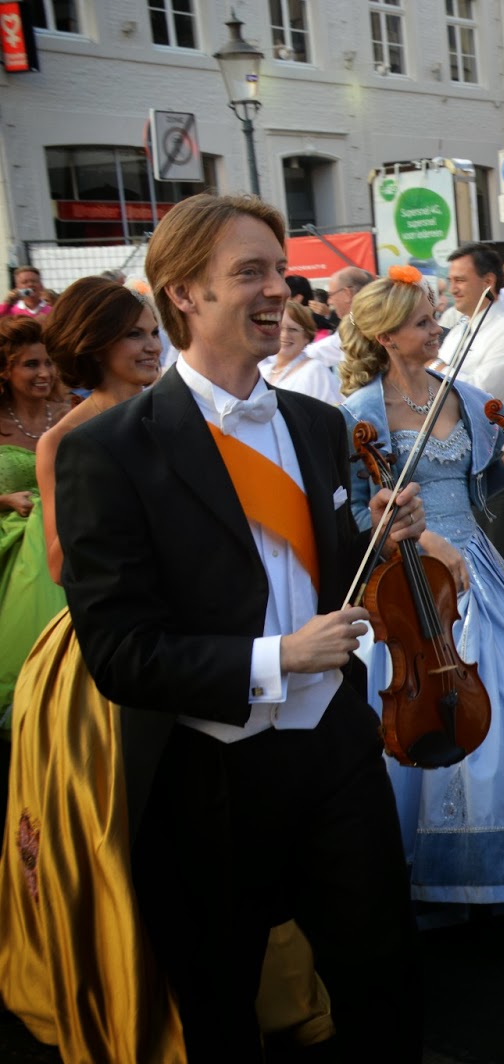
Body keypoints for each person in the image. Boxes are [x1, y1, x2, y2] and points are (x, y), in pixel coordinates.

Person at [52, 193, 427, 1061]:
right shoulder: (108, 452)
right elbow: (119, 653)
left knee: (385, 985)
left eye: (279, 271)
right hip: (204, 776)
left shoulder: (319, 424)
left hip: (335, 751)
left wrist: (370, 535)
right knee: (220, 1006)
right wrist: (278, 657)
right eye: (248, 273)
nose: (277, 292)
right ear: (182, 293)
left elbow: (315, 571)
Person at [0, 275, 340, 1060]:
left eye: (153, 331)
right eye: (131, 336)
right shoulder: (73, 437)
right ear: (93, 348)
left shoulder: (199, 415)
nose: (150, 345)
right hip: (112, 652)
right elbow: (64, 561)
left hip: (219, 649)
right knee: (139, 828)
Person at [337, 269, 504, 910]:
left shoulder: (459, 392)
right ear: (385, 337)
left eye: (436, 320)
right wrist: (414, 536)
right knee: (422, 696)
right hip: (410, 575)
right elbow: (355, 510)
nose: (437, 331)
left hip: (478, 567)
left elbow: (477, 488)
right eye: (422, 324)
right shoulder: (358, 414)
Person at [0, 317, 70, 717]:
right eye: (30, 364)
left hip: (60, 540)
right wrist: (5, 500)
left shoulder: (70, 411)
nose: (44, 373)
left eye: (49, 363)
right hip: (9, 548)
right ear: (5, 370)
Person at [436, 242, 504, 406]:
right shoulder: (458, 330)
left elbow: (483, 393)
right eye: (451, 281)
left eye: (460, 280)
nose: (453, 289)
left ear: (488, 281)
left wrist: (433, 364)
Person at [261, 301, 342, 405]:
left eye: (293, 329)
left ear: (306, 336)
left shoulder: (315, 371)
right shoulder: (264, 372)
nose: (284, 335)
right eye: (278, 328)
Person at [305, 266, 374, 368]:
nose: (329, 301)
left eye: (331, 295)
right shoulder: (356, 321)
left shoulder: (358, 325)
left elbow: (324, 349)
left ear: (347, 293)